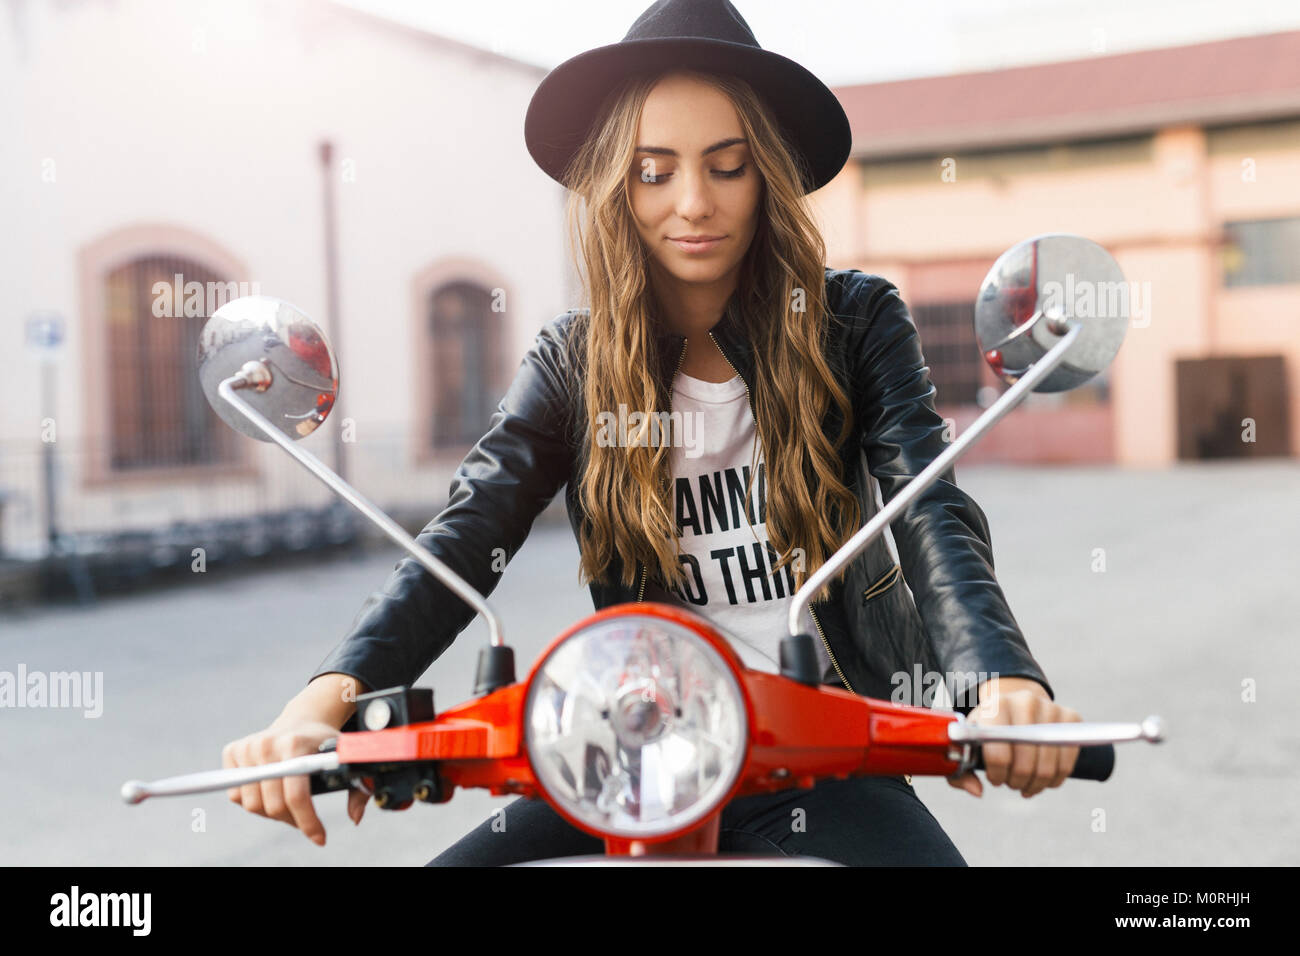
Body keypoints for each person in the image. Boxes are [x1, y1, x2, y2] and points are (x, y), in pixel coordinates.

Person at [221, 0, 1081, 866]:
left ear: (767, 175)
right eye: (654, 171)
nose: (694, 203)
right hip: (632, 742)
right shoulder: (572, 361)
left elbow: (926, 505)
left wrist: (997, 677)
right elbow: (466, 537)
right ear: (613, 184)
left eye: (728, 166)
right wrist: (324, 701)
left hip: (820, 744)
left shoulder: (854, 322)